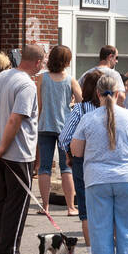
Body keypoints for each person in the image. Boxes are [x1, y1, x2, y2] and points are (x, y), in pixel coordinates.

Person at [71, 73, 128, 254]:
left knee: (100, 229)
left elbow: (76, 150)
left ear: (97, 94)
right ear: (118, 93)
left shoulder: (88, 118)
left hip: (97, 180)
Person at [0, 43, 45, 254]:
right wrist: (2, 146)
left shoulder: (2, 76)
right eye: (42, 62)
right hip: (18, 152)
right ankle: (9, 252)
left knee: (3, 198)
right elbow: (15, 119)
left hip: (0, 146)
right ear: (37, 62)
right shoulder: (27, 85)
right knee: (17, 203)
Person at [58, 71, 103, 254]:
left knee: (85, 209)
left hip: (83, 161)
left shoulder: (80, 110)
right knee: (106, 208)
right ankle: (109, 253)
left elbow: (64, 137)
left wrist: (70, 152)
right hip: (107, 162)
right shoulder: (111, 109)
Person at [37, 45, 82, 218]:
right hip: (65, 127)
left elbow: (39, 105)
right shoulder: (70, 80)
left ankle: (45, 206)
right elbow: (81, 102)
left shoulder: (42, 78)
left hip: (45, 125)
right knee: (66, 168)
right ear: (67, 62)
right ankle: (71, 207)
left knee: (44, 167)